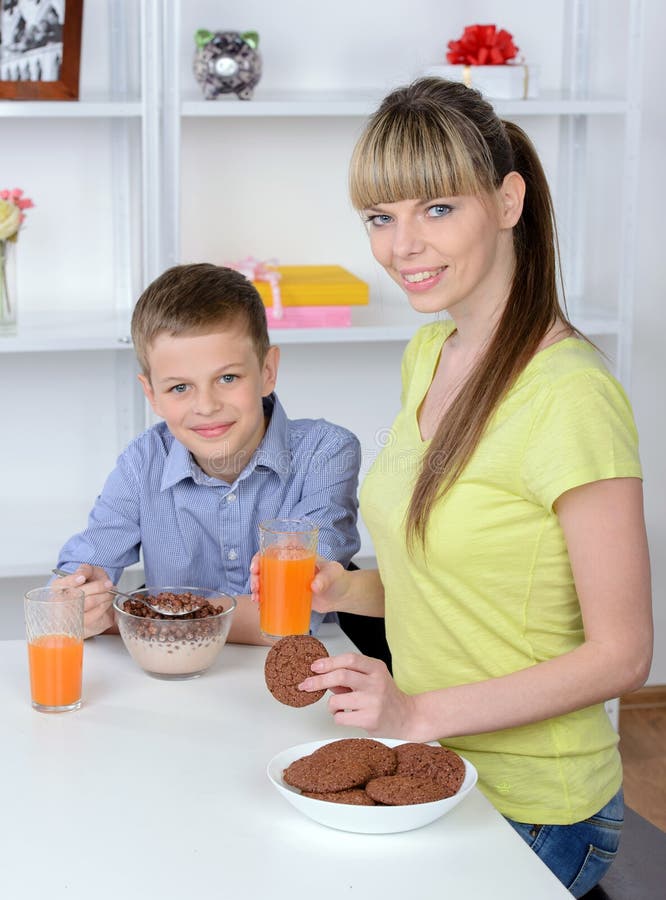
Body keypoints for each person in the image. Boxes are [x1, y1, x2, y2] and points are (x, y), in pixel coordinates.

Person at [292, 78, 653, 896]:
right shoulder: (430, 353)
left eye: (437, 209)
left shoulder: (571, 396)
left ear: (508, 201)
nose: (402, 246)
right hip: (428, 768)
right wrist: (344, 588)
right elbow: (455, 578)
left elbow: (625, 652)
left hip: (538, 805)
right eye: (380, 217)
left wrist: (416, 713)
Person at [55, 263, 361, 645]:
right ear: (151, 395)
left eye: (227, 378)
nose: (206, 406)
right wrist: (81, 600)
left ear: (267, 371)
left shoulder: (326, 453)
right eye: (180, 387)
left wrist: (132, 617)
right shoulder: (142, 462)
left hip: (293, 668)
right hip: (173, 671)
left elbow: (290, 614)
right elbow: (70, 587)